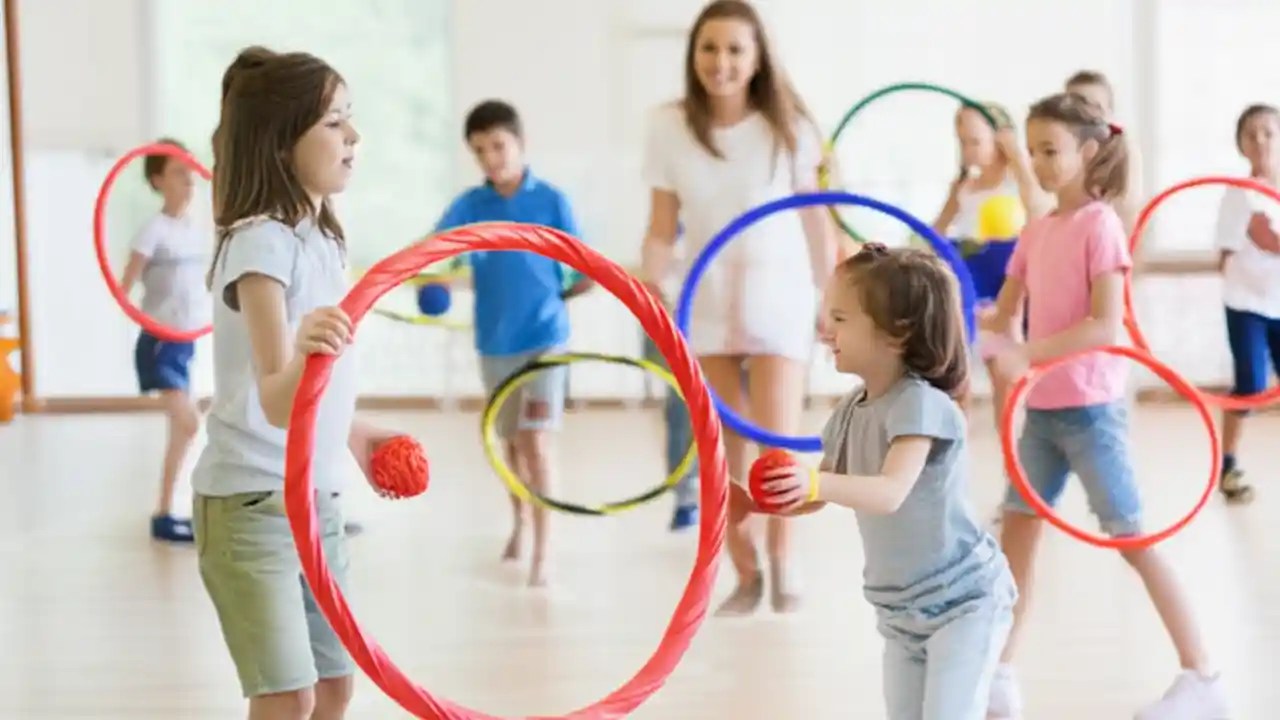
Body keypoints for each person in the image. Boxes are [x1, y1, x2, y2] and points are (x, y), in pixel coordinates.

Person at [982, 92, 1228, 719]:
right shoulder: (1036, 231)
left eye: (1050, 150)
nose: (1037, 163)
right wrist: (976, 340)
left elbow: (1103, 327)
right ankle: (1000, 673)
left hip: (1091, 412)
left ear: (1089, 152)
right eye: (1032, 150)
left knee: (1133, 538)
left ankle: (1203, 676)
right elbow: (1002, 319)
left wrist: (1025, 354)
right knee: (1016, 542)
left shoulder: (1101, 226)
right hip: (1039, 415)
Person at [191, 46, 400, 719]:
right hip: (252, 506)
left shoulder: (321, 238)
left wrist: (359, 437)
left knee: (335, 684)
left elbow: (314, 402)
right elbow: (280, 401)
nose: (354, 137)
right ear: (283, 144)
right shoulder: (260, 243)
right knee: (286, 694)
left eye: (350, 120)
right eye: (336, 122)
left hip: (312, 495)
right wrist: (307, 352)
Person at [747, 243, 1015, 720]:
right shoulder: (850, 411)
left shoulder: (921, 405)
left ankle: (983, 690)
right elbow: (822, 490)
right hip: (900, 614)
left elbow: (890, 492)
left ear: (898, 333)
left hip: (964, 602)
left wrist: (813, 484)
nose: (824, 330)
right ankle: (986, 697)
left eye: (841, 318)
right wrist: (757, 502)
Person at [638, 0, 838, 616]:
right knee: (723, 450)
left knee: (778, 444)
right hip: (708, 298)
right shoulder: (668, 124)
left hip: (778, 296)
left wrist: (831, 299)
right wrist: (649, 285)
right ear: (693, 54)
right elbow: (661, 228)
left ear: (757, 60)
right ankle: (744, 568)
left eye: (734, 50)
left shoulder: (791, 127)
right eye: (709, 48)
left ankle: (784, 558)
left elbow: (817, 221)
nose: (720, 63)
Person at [434, 99, 591, 588]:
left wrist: (556, 298)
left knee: (537, 443)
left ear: (520, 144)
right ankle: (520, 519)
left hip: (545, 340)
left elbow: (589, 272)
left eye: (498, 145)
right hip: (494, 342)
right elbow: (433, 255)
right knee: (509, 446)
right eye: (480, 150)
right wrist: (433, 284)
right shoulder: (469, 207)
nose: (491, 158)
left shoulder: (552, 201)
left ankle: (545, 550)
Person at [932, 101, 1050, 431]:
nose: (968, 151)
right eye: (962, 142)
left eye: (975, 141)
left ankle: (1014, 455)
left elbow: (1040, 211)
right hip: (973, 288)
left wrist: (1018, 157)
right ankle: (956, 446)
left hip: (1011, 289)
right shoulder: (964, 187)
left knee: (1006, 375)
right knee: (960, 374)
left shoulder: (1018, 182)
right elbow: (935, 233)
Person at [118, 137, 209, 543]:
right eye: (177, 171)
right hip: (159, 343)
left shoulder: (192, 229)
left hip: (185, 342)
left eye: (190, 170)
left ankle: (164, 513)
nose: (188, 178)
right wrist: (148, 318)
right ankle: (181, 507)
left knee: (180, 431)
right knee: (189, 422)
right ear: (158, 180)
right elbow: (125, 284)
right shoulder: (152, 230)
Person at [1212, 103, 1280, 504]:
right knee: (1252, 384)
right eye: (1251, 134)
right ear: (1240, 145)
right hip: (1246, 305)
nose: (1260, 141)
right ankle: (1229, 465)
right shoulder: (1238, 193)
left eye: (1269, 132)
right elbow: (1226, 252)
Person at [1064, 70, 1143, 236]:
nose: (1086, 114)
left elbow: (1129, 210)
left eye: (1096, 107)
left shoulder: (1123, 150)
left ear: (1109, 114)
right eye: (1077, 106)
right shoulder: (1060, 150)